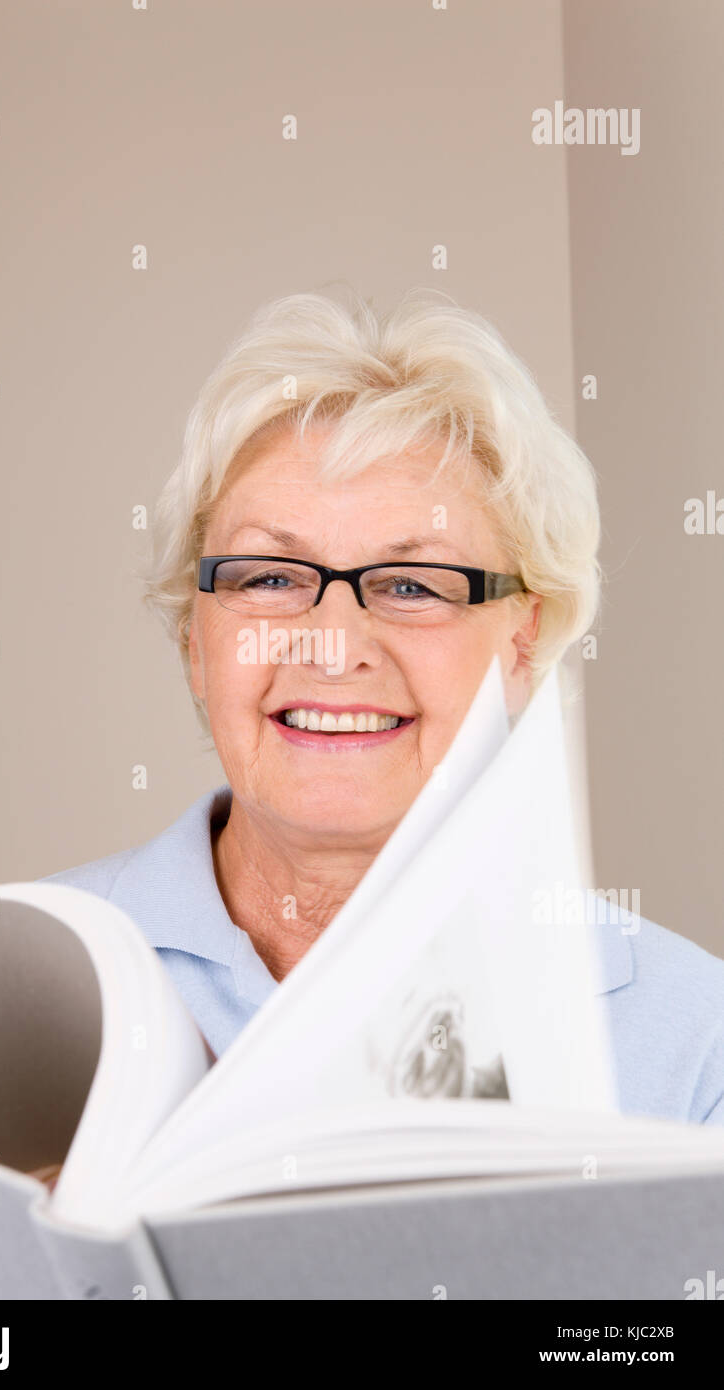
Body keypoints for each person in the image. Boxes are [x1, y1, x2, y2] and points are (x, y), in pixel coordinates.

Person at [44, 287, 724, 1126]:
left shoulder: (696, 1040)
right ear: (196, 637)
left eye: (411, 584)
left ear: (521, 639)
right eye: (270, 578)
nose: (334, 644)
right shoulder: (13, 976)